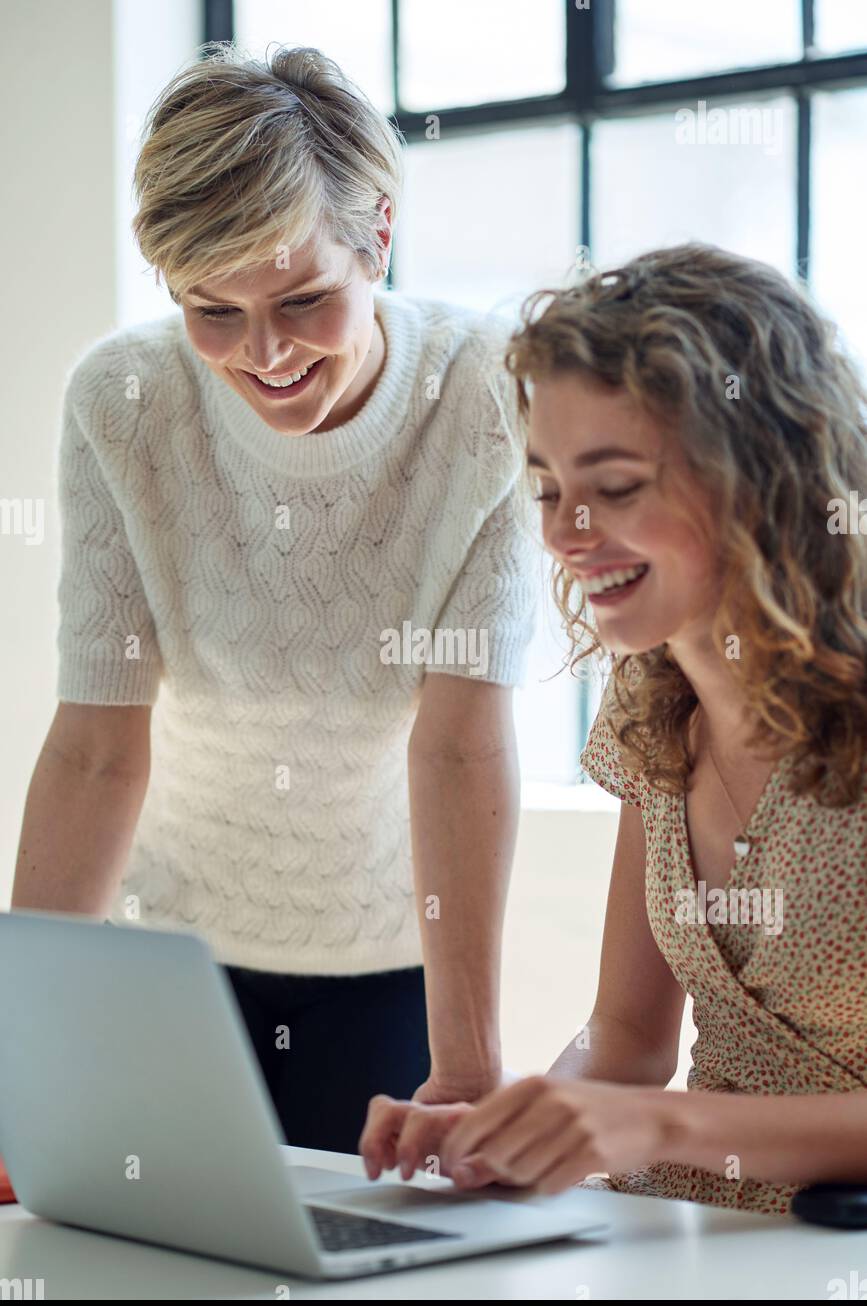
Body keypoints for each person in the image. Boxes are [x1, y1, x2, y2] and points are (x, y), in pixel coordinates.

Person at [8, 44, 537, 1164]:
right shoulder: (123, 400)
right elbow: (98, 747)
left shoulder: (487, 394)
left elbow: (458, 745)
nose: (266, 354)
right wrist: (26, 1043)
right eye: (213, 308)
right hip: (170, 963)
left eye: (303, 299)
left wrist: (473, 1066)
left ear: (378, 235)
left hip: (390, 960)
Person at [361, 243, 867, 1215]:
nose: (563, 532)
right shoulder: (652, 699)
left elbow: (650, 1107)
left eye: (618, 486)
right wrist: (514, 1124)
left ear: (762, 472)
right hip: (691, 1239)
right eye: (549, 488)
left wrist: (664, 1125)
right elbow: (626, 1044)